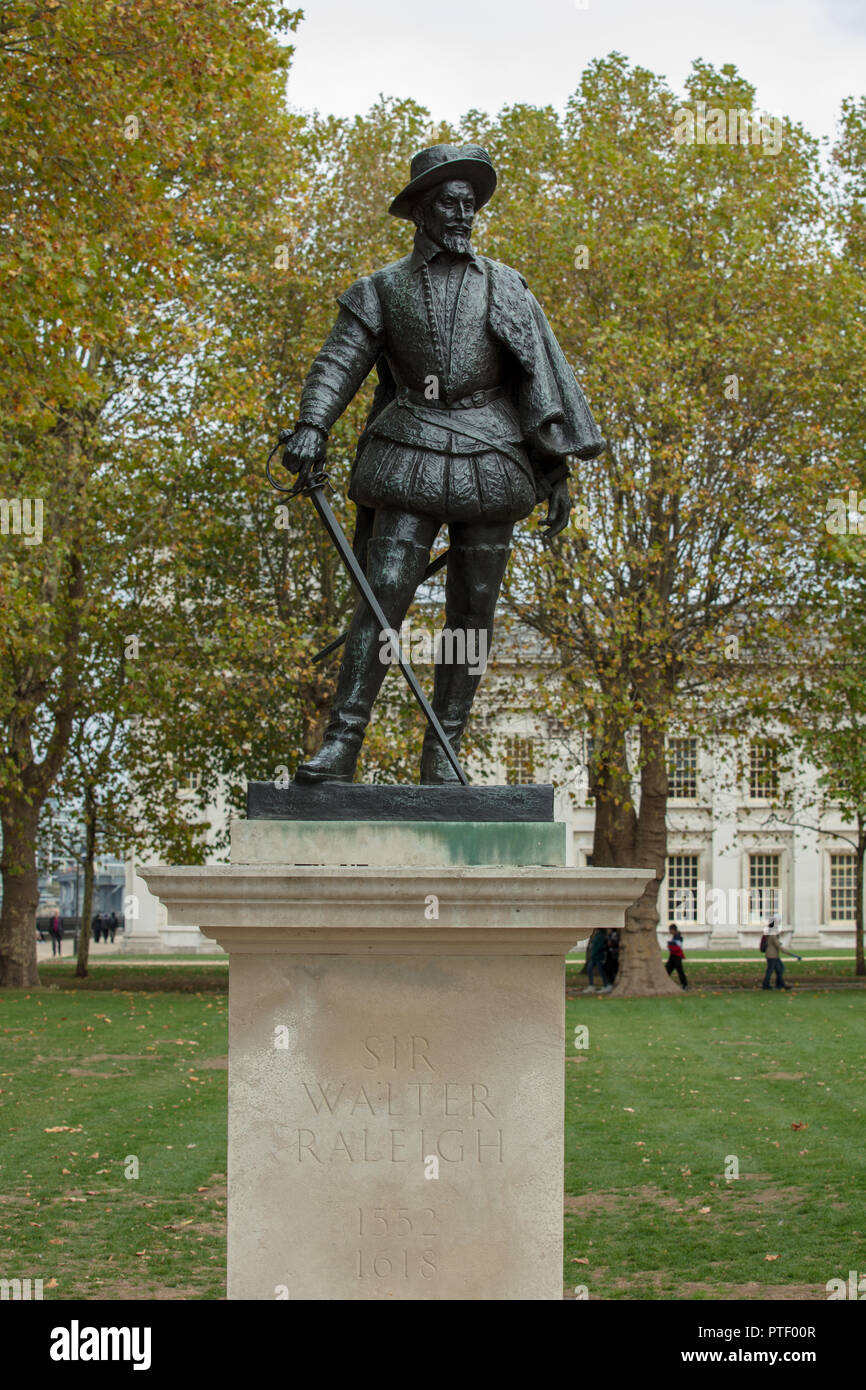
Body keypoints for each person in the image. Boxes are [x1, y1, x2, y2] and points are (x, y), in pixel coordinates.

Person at [278, 142, 604, 785]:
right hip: (409, 450)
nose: (463, 214)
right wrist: (313, 424)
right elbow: (338, 362)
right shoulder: (381, 289)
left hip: (494, 455)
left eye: (469, 204)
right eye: (449, 203)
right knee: (384, 596)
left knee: (474, 610)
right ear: (421, 212)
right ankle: (342, 745)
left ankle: (443, 755)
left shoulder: (508, 286)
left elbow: (538, 375)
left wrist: (558, 467)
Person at [761, 916, 801, 990]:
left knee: (779, 969)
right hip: (772, 955)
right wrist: (788, 953)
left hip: (773, 955)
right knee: (771, 970)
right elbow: (777, 945)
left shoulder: (771, 932)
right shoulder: (772, 933)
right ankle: (767, 985)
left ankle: (779, 984)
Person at [582, 929, 613, 994]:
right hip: (594, 957)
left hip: (599, 956)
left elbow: (599, 946)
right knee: (589, 969)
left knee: (601, 971)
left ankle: (606, 985)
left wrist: (595, 952)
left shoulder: (601, 936)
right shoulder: (596, 935)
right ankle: (591, 985)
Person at [665, 924, 688, 990]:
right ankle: (684, 984)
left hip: (677, 956)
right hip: (673, 956)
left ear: (673, 930)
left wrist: (671, 945)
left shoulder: (678, 937)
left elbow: (678, 946)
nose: (669, 931)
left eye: (670, 930)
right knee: (668, 969)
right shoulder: (675, 936)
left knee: (679, 970)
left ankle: (685, 984)